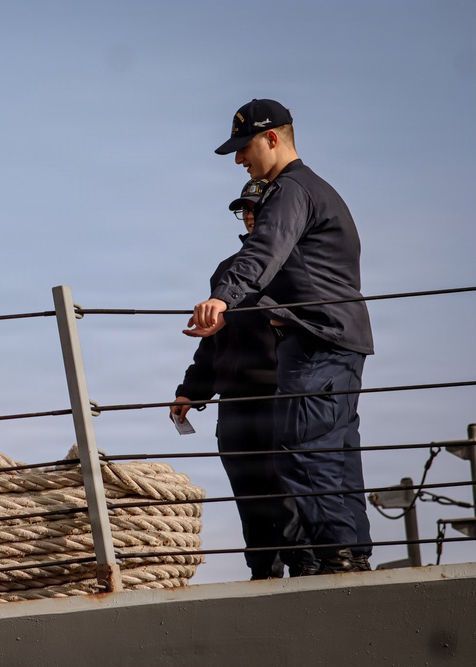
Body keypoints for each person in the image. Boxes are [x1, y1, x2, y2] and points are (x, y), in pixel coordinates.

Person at [186, 99, 373, 574]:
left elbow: (264, 250)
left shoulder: (288, 190)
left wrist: (223, 298)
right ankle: (351, 555)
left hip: (317, 340)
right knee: (332, 447)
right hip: (332, 337)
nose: (238, 160)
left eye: (244, 147)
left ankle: (337, 561)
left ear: (272, 138)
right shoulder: (312, 188)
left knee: (302, 449)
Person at [171, 179, 317, 579]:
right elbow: (212, 342)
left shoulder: (296, 266)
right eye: (245, 209)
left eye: (256, 207)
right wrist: (190, 391)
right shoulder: (228, 272)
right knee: (248, 495)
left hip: (280, 394)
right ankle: (263, 575)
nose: (250, 215)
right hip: (233, 402)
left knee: (284, 489)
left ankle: (305, 568)